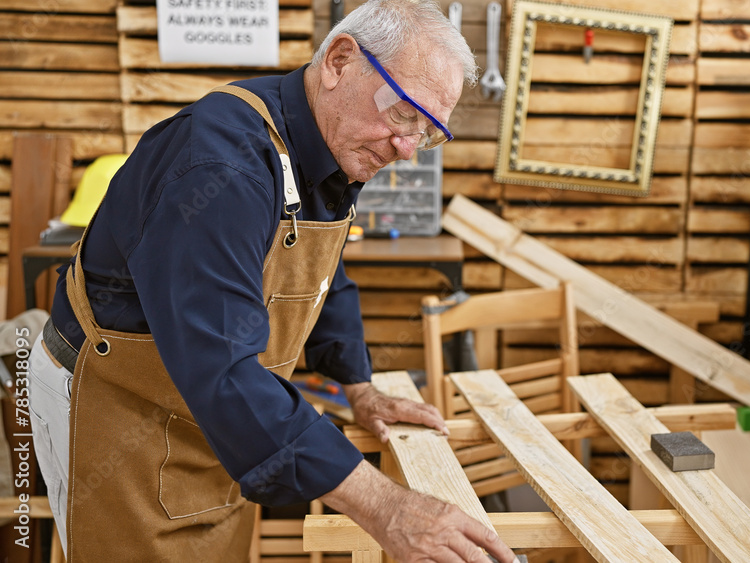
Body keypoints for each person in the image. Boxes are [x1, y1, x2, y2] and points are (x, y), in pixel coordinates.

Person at [26, 0, 516, 561]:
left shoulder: (325, 148)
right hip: (120, 407)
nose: (408, 148)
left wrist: (358, 386)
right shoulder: (221, 169)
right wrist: (385, 506)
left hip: (215, 420)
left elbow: (322, 271)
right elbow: (222, 367)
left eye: (427, 132)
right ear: (338, 60)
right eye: (404, 113)